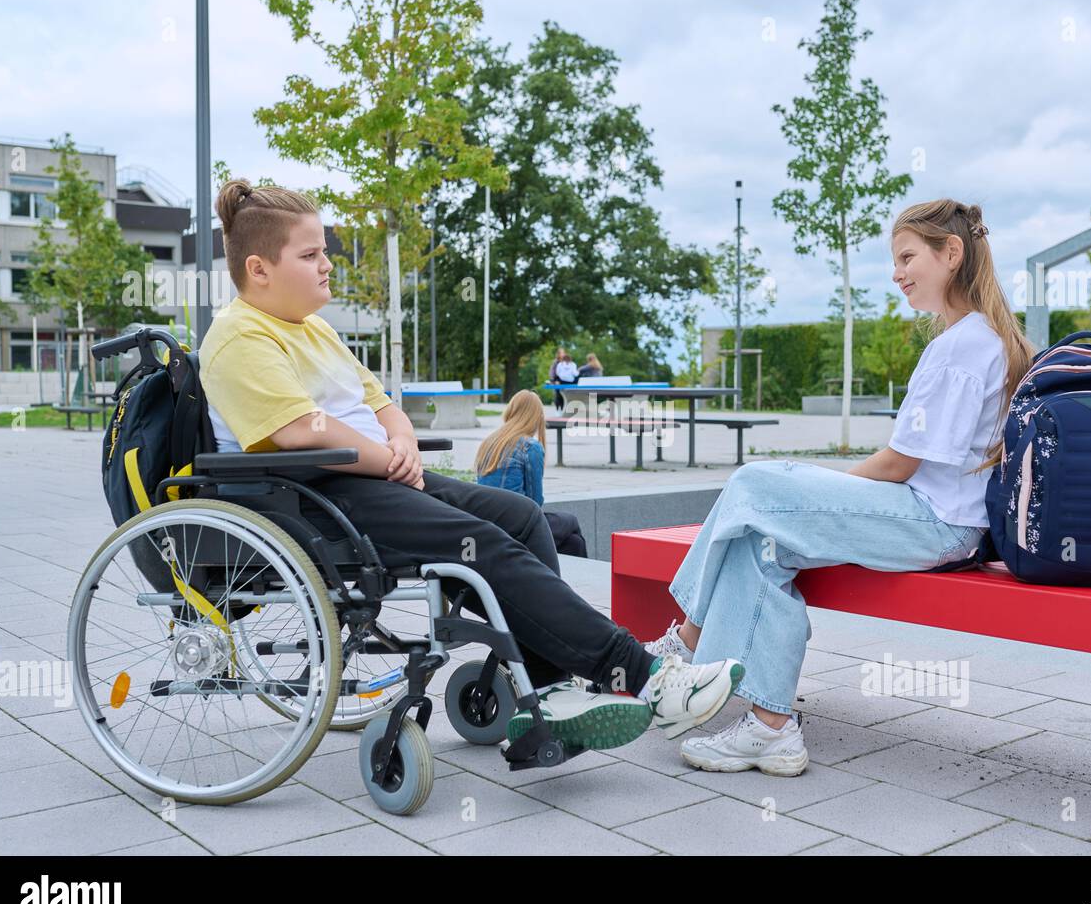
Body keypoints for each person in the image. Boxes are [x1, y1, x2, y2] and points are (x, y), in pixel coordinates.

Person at [197, 178, 744, 752]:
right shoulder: (239, 337)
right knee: (482, 543)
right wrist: (389, 459)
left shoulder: (314, 328)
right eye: (310, 256)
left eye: (324, 252)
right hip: (314, 495)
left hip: (368, 476)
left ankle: (550, 692)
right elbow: (296, 430)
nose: (327, 265)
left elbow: (381, 404)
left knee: (523, 518)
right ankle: (647, 678)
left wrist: (401, 442)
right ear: (258, 269)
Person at [644, 200, 1035, 776]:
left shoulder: (963, 345)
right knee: (763, 545)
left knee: (754, 483)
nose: (897, 273)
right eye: (894, 260)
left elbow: (903, 463)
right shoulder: (980, 339)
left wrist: (823, 488)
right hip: (943, 521)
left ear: (951, 254)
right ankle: (770, 728)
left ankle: (685, 642)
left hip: (936, 523)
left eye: (907, 257)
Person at [476, 389, 588, 557]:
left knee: (574, 543)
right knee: (570, 520)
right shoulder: (530, 446)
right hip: (517, 526)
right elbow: (535, 503)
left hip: (489, 523)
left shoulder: (490, 442)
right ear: (536, 417)